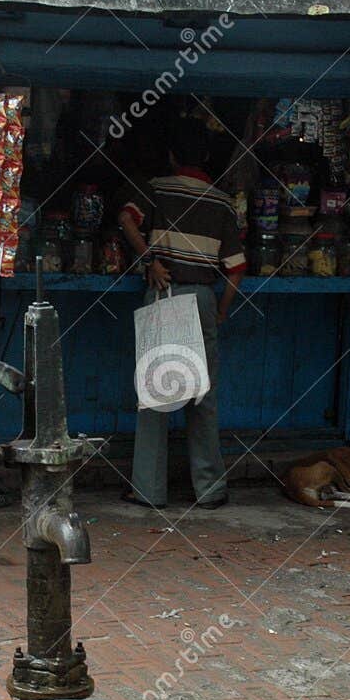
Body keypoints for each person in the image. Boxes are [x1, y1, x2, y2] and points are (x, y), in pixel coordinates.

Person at [117, 122, 245, 510]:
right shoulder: (222, 203)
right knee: (202, 396)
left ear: (172, 156)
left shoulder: (156, 189)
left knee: (156, 395)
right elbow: (236, 268)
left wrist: (151, 260)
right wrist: (220, 310)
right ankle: (209, 490)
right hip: (202, 297)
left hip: (163, 293)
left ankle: (149, 490)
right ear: (205, 158)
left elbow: (125, 218)